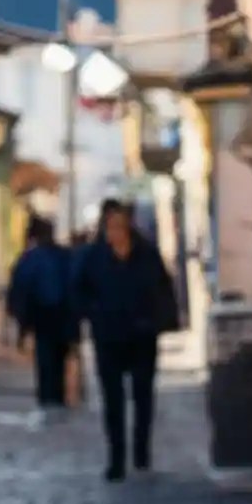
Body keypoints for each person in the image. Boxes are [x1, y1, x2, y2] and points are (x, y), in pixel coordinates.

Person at [74, 200, 178, 482]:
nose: (115, 233)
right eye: (111, 227)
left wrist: (158, 322)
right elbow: (80, 292)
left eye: (120, 227)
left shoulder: (146, 254)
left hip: (142, 336)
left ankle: (141, 452)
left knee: (143, 396)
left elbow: (163, 290)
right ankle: (116, 458)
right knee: (112, 400)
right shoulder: (94, 258)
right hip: (108, 338)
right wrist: (93, 314)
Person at [7, 218, 78, 409]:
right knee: (59, 358)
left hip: (41, 318)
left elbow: (20, 290)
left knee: (45, 358)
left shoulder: (29, 259)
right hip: (63, 317)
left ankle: (48, 398)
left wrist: (21, 325)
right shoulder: (65, 256)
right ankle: (57, 397)